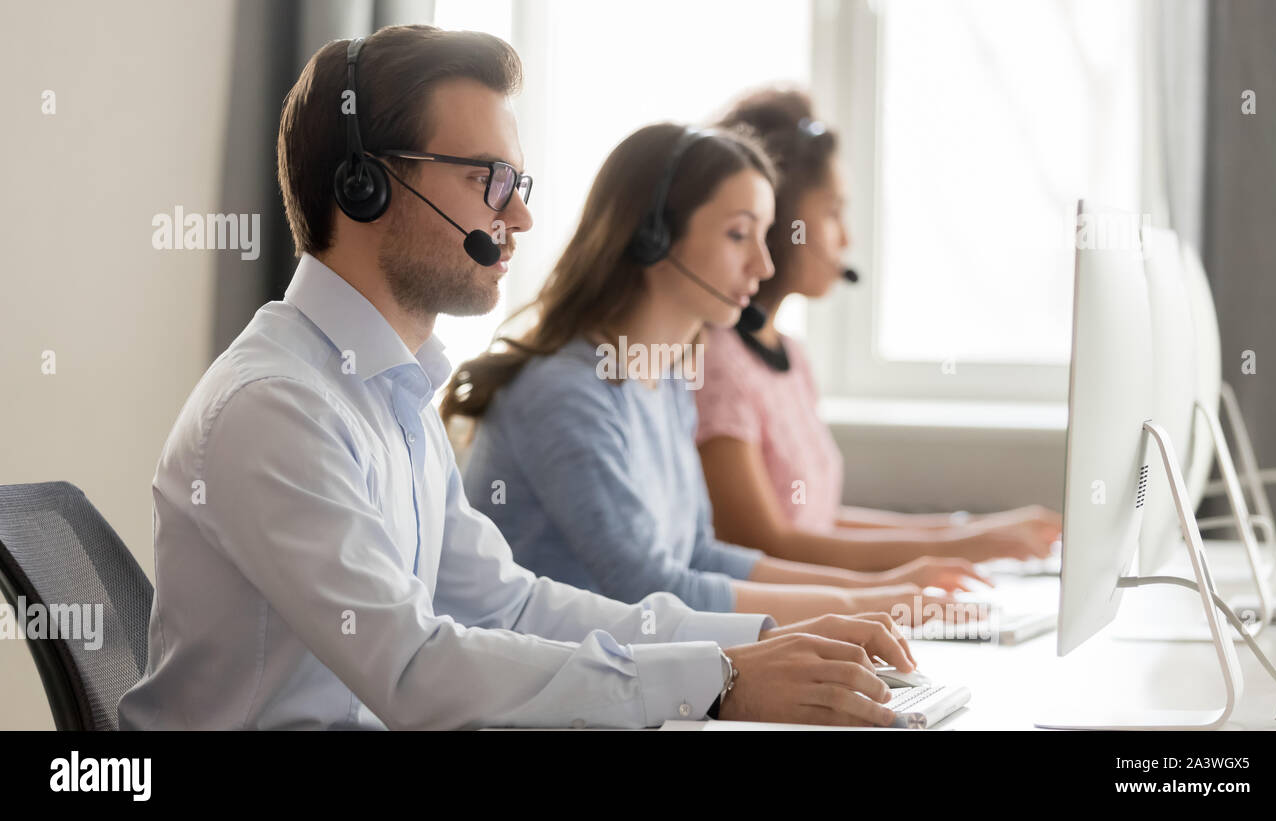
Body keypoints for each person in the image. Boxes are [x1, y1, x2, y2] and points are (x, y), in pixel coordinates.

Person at [115, 27, 927, 731]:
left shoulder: (386, 392)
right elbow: (413, 669)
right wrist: (718, 680)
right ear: (366, 185)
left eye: (519, 183)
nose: (522, 217)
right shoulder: (276, 406)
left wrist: (757, 647)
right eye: (487, 180)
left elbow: (510, 604)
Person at [447, 122, 988, 628]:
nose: (764, 265)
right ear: (653, 237)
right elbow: (647, 585)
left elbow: (700, 554)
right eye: (738, 235)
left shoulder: (670, 379)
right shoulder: (566, 392)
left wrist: (883, 590)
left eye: (766, 235)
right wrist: (866, 603)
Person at [691, 88, 1061, 574]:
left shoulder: (791, 357)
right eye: (832, 212)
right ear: (776, 220)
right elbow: (768, 545)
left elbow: (817, 525)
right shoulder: (717, 363)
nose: (846, 239)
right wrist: (969, 545)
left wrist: (975, 533)